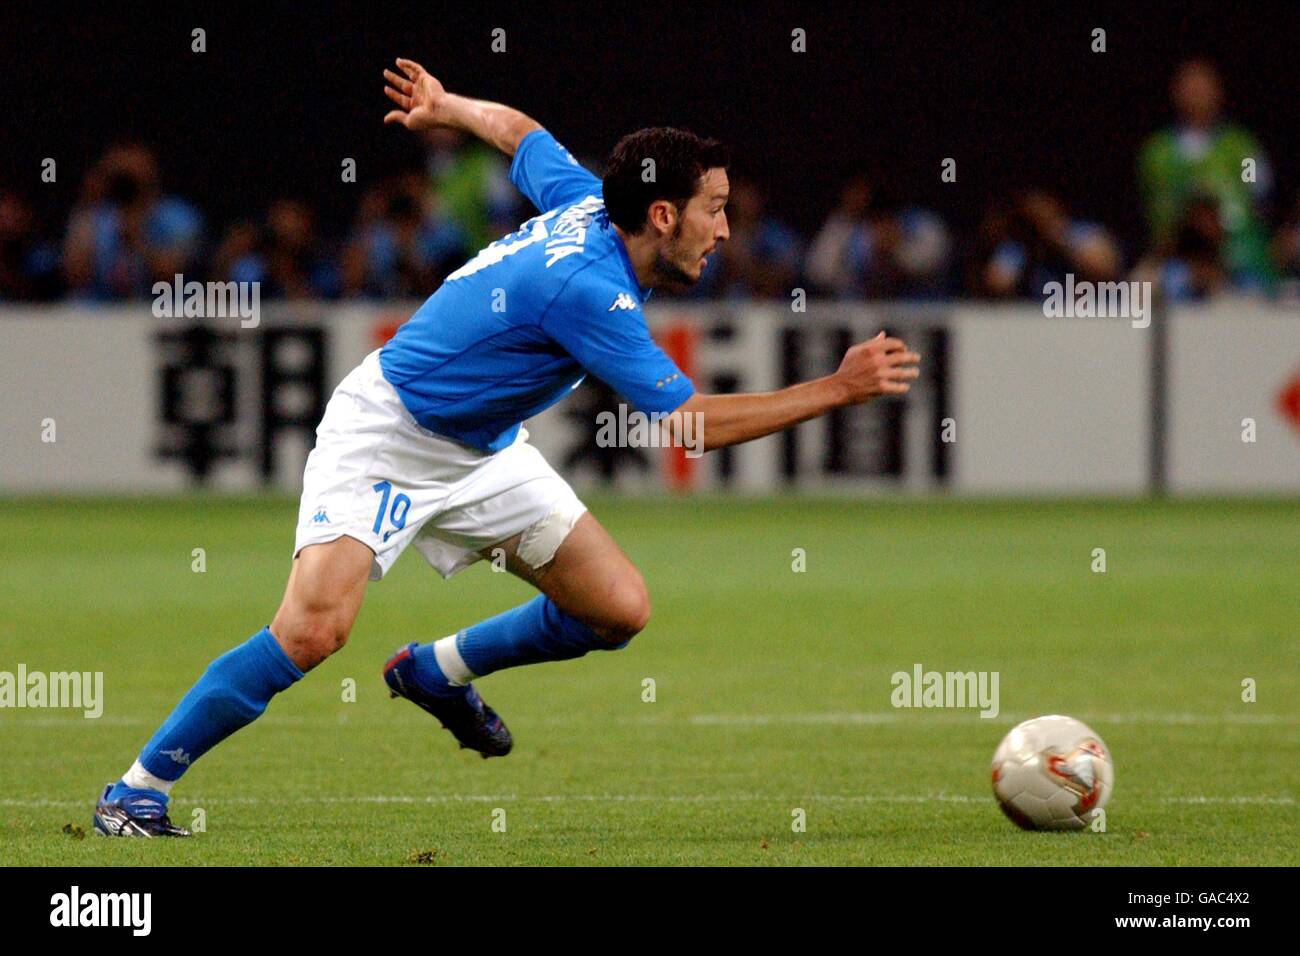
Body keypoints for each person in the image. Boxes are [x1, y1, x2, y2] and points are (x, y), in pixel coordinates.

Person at [92, 58, 920, 837]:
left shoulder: (592, 201)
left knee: (617, 609)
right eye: (715, 208)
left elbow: (520, 133)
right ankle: (137, 789)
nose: (726, 229)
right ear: (663, 215)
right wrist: (837, 389)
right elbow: (691, 425)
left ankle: (436, 670)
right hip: (390, 436)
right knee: (312, 632)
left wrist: (447, 108)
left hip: (483, 450)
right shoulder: (589, 289)